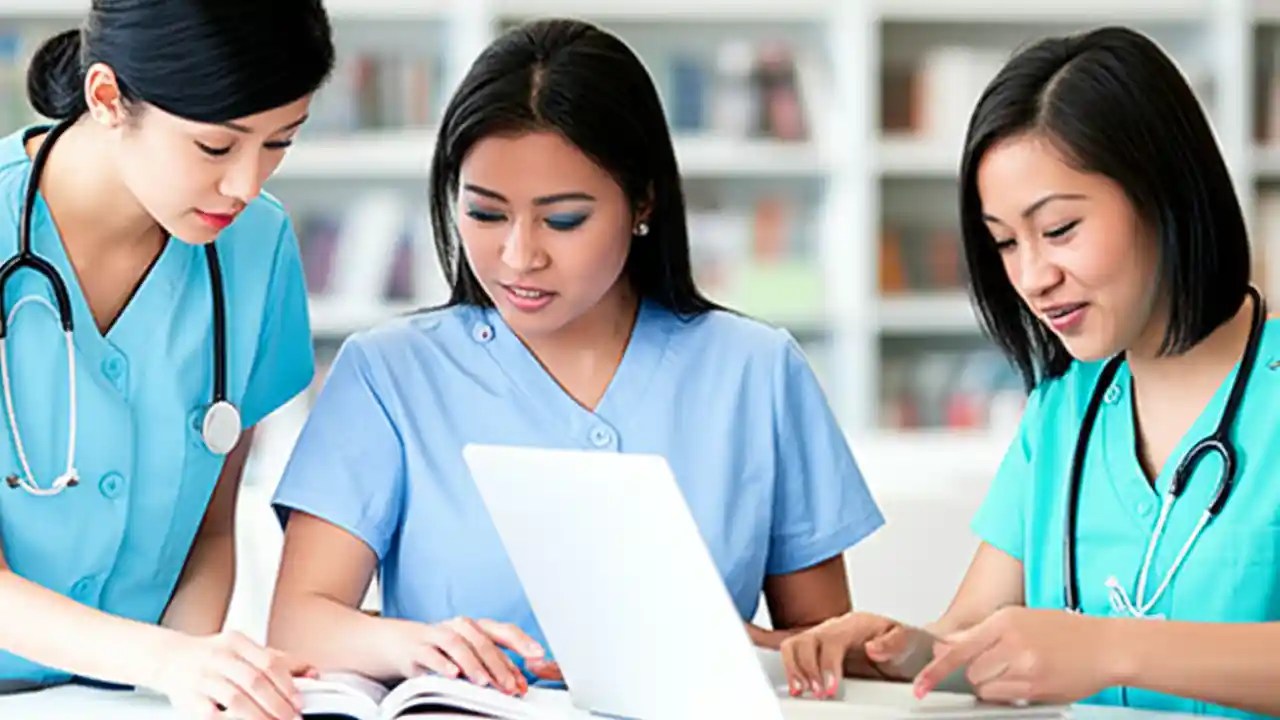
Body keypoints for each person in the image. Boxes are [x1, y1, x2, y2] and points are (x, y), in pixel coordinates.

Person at [267, 17, 883, 699]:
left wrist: (726, 642)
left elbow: (827, 649)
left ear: (643, 201)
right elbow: (298, 623)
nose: (519, 255)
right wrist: (414, 643)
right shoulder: (388, 374)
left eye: (563, 220)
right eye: (485, 214)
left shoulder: (757, 371)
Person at [779, 25, 1280, 719]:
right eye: (1006, 243)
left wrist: (1107, 649)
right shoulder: (1065, 410)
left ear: (1164, 195)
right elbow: (975, 634)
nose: (1033, 277)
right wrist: (900, 651)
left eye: (1061, 229)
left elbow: (1084, 650)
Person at [0, 2, 333, 719]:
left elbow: (210, 529)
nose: (247, 184)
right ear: (106, 97)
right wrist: (167, 661)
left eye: (280, 143)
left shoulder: (258, 249)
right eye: (217, 148)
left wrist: (194, 688)